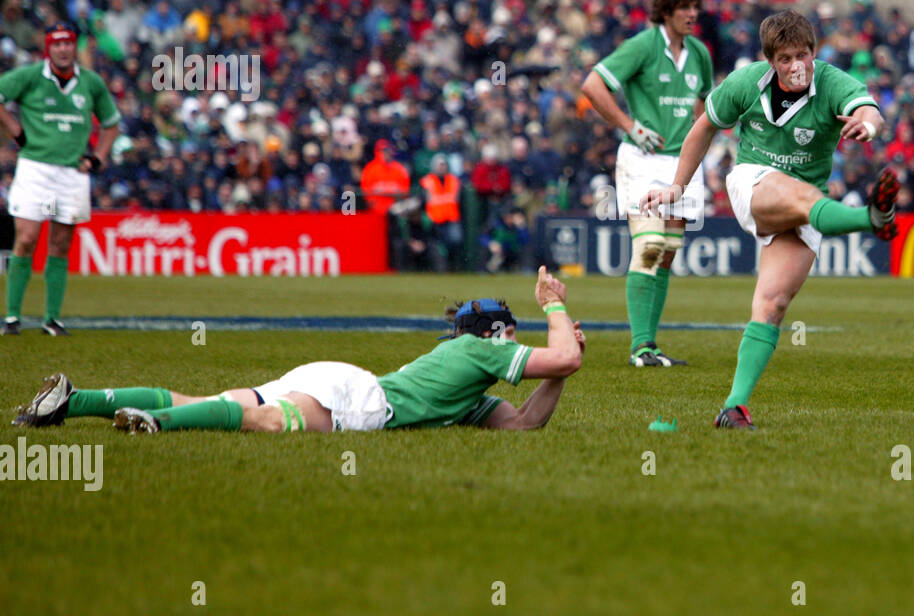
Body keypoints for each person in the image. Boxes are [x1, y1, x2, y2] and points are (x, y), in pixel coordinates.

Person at [641, 9, 898, 429]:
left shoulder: (831, 82)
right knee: (797, 192)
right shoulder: (746, 82)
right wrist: (677, 186)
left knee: (773, 303)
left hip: (805, 204)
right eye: (785, 58)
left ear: (815, 52)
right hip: (753, 184)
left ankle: (733, 407)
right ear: (770, 60)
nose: (797, 66)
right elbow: (704, 127)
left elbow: (870, 109)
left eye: (803, 55)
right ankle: (869, 219)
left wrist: (867, 127)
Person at [13, 267, 584, 433]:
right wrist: (554, 305)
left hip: (337, 377)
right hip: (360, 400)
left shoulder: (465, 385)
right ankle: (154, 422)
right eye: (508, 329)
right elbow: (564, 357)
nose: (514, 338)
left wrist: (558, 375)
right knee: (262, 422)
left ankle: (79, 399)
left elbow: (525, 423)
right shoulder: (479, 356)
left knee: (210, 397)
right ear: (492, 335)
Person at [581, 0, 713, 367]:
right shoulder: (642, 46)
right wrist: (629, 125)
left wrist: (699, 141)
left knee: (669, 253)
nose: (692, 14)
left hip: (682, 166)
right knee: (650, 246)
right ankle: (640, 347)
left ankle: (650, 345)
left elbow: (703, 105)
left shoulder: (700, 54)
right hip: (642, 160)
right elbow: (592, 84)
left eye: (695, 7)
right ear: (666, 11)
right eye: (684, 8)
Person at [0, 22, 120, 335]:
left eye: (68, 44)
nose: (63, 49)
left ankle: (51, 318)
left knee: (61, 242)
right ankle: (12, 316)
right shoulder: (29, 75)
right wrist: (16, 131)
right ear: (48, 48)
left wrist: (99, 157)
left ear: (74, 47)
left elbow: (111, 123)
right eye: (57, 44)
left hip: (72, 171)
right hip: (35, 167)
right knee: (26, 238)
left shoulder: (91, 82)